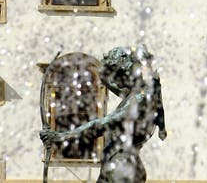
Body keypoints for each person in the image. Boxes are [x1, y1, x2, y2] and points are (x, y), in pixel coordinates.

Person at [40, 46, 166, 183]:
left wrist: (61, 137)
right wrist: (103, 69)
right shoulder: (133, 94)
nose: (115, 83)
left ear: (124, 74)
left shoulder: (140, 99)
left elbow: (101, 125)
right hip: (114, 166)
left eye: (115, 77)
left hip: (123, 171)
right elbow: (107, 81)